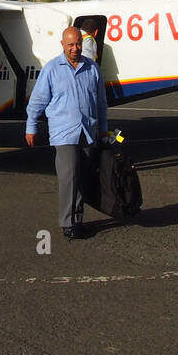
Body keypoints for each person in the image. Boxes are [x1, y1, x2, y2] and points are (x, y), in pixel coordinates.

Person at [25, 26, 107, 239]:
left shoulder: (92, 69)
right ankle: (68, 223)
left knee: (81, 177)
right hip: (64, 132)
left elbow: (101, 103)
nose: (75, 48)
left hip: (88, 131)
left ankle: (77, 219)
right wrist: (31, 125)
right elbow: (38, 100)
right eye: (70, 44)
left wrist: (103, 129)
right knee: (69, 177)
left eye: (78, 44)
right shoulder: (52, 69)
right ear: (62, 44)